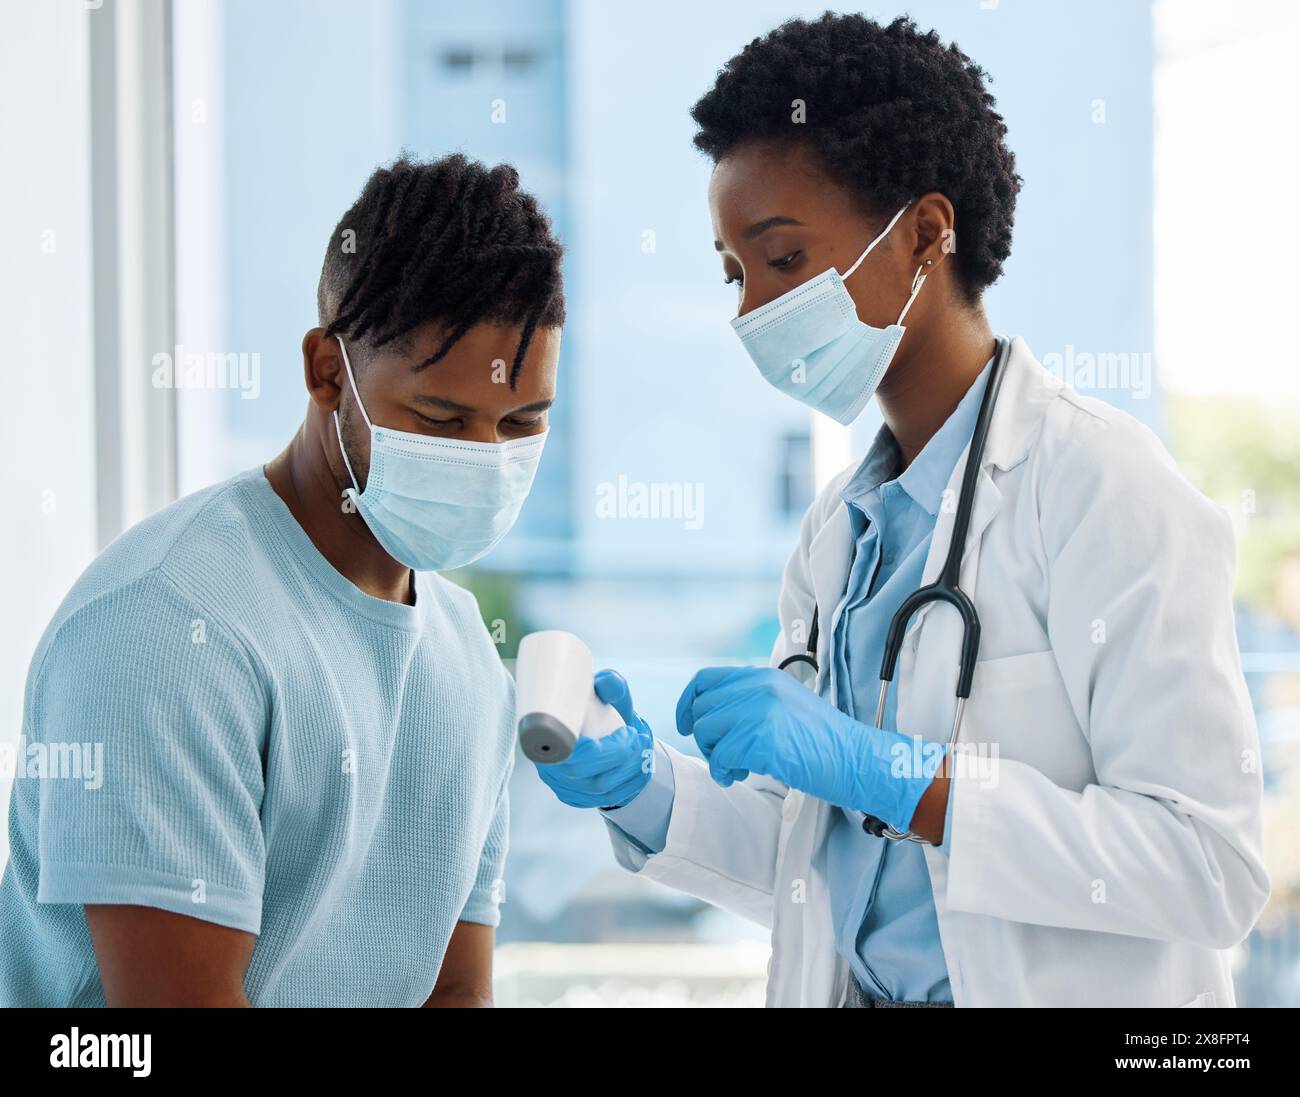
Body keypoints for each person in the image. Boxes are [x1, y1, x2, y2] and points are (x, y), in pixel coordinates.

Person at [535, 14, 1269, 1008]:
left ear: (926, 232)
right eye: (733, 272)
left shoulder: (1100, 486)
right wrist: (643, 785)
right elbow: (820, 871)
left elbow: (1206, 866)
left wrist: (900, 776)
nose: (750, 310)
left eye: (782, 260)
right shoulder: (840, 532)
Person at [0, 154, 564, 1007]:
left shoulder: (469, 663)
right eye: (441, 419)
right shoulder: (170, 622)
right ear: (326, 371)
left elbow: (454, 991)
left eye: (521, 422)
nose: (484, 461)